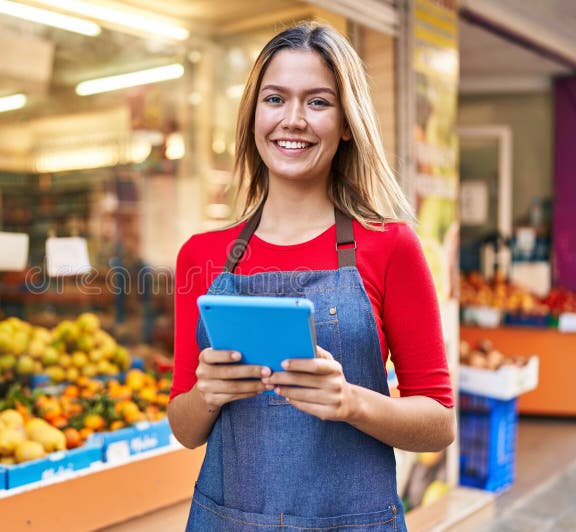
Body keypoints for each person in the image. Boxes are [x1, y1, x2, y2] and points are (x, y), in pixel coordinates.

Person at [167, 21, 455, 531]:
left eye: (318, 102)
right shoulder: (201, 255)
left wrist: (351, 402)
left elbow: (438, 423)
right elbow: (185, 429)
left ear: (347, 122)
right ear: (254, 116)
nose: (293, 120)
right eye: (275, 99)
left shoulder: (390, 245)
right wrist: (207, 392)